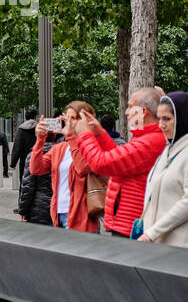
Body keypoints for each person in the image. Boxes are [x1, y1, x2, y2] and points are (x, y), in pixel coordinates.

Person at [73, 87, 166, 238]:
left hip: (130, 225)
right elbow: (120, 160)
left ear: (143, 111)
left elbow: (102, 163)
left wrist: (85, 134)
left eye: (130, 107)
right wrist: (100, 133)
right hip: (128, 222)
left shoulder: (149, 141)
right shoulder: (148, 137)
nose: (126, 112)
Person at [28, 101, 99, 231]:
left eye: (73, 118)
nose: (69, 122)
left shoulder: (92, 146)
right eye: (67, 117)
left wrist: (71, 136)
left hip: (81, 215)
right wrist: (40, 139)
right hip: (58, 213)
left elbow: (82, 168)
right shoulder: (60, 148)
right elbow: (35, 168)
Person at [135, 92, 188, 246]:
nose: (161, 125)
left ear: (182, 119)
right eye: (159, 118)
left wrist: (152, 233)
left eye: (167, 119)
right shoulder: (169, 148)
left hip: (177, 247)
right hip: (157, 243)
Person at [16, 130, 60, 225]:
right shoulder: (60, 153)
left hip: (38, 205)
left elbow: (27, 185)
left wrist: (23, 210)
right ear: (54, 135)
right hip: (58, 204)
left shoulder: (34, 155)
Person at [9, 109, 39, 187]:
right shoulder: (39, 128)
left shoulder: (21, 129)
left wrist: (13, 163)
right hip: (38, 159)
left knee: (24, 183)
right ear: (35, 117)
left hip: (24, 160)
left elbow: (17, 147)